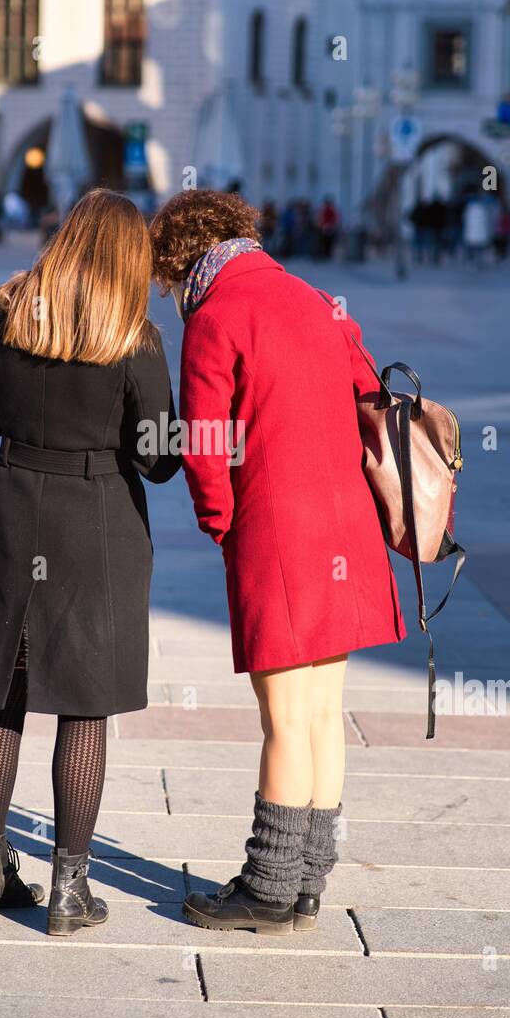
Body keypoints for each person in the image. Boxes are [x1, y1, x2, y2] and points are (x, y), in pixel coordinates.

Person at [149, 190, 405, 934]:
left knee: (285, 719)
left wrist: (221, 524)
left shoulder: (218, 314)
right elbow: (370, 395)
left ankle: (266, 887)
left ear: (180, 259)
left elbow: (201, 444)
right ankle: (308, 883)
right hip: (348, 530)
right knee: (323, 714)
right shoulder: (315, 297)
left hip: (278, 531)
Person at [0, 189, 180, 934]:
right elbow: (159, 458)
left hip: (14, 506)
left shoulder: (3, 305)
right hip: (98, 521)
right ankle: (70, 892)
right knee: (84, 704)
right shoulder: (130, 333)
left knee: (1, 692)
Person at [462, 192, 492, 265]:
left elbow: (465, 221)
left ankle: (472, 260)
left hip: (472, 233)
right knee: (480, 248)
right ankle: (479, 261)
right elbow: (486, 222)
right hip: (481, 234)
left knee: (472, 248)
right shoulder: (483, 209)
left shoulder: (469, 210)